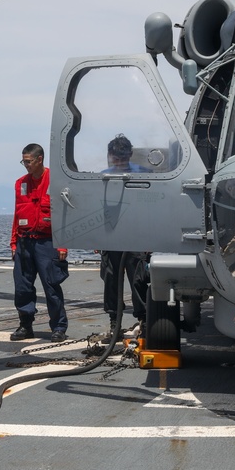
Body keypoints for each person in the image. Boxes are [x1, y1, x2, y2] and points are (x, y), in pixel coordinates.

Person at [9, 144, 69, 342]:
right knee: (22, 287)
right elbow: (17, 215)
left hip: (47, 243)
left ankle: (59, 327)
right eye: (23, 161)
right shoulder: (20, 183)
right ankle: (25, 325)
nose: (25, 165)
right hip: (24, 243)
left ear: (40, 159)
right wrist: (13, 243)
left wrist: (62, 244)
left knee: (52, 286)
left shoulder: (57, 181)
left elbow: (65, 214)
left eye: (28, 161)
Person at [100, 134, 149, 333]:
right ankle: (114, 320)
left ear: (129, 155)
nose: (119, 163)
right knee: (111, 279)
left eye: (122, 158)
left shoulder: (144, 175)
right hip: (112, 238)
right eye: (115, 159)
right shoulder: (104, 176)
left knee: (139, 279)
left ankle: (144, 319)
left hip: (136, 237)